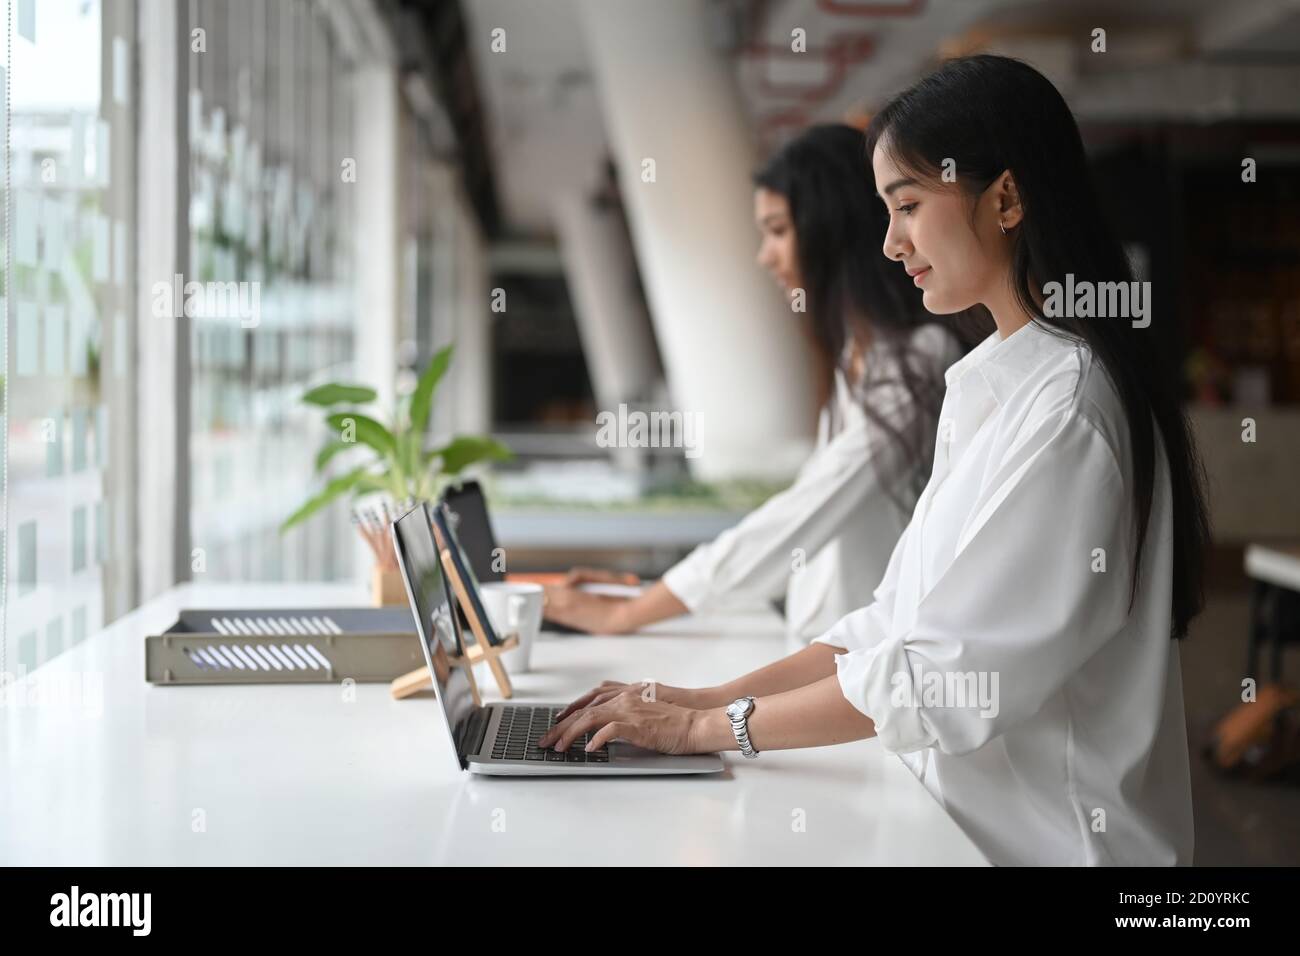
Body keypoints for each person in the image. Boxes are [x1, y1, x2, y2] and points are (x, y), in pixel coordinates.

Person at [538, 55, 1210, 866]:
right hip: (957, 827)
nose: (892, 243)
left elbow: (940, 680)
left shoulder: (1066, 410)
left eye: (909, 206)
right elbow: (890, 625)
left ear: (1004, 198)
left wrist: (704, 730)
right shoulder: (992, 386)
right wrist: (708, 698)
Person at [544, 124, 966, 645]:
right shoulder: (857, 357)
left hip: (866, 676)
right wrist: (641, 596)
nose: (765, 255)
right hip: (826, 651)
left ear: (829, 229)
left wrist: (627, 613)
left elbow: (806, 512)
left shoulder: (920, 360)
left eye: (778, 231)